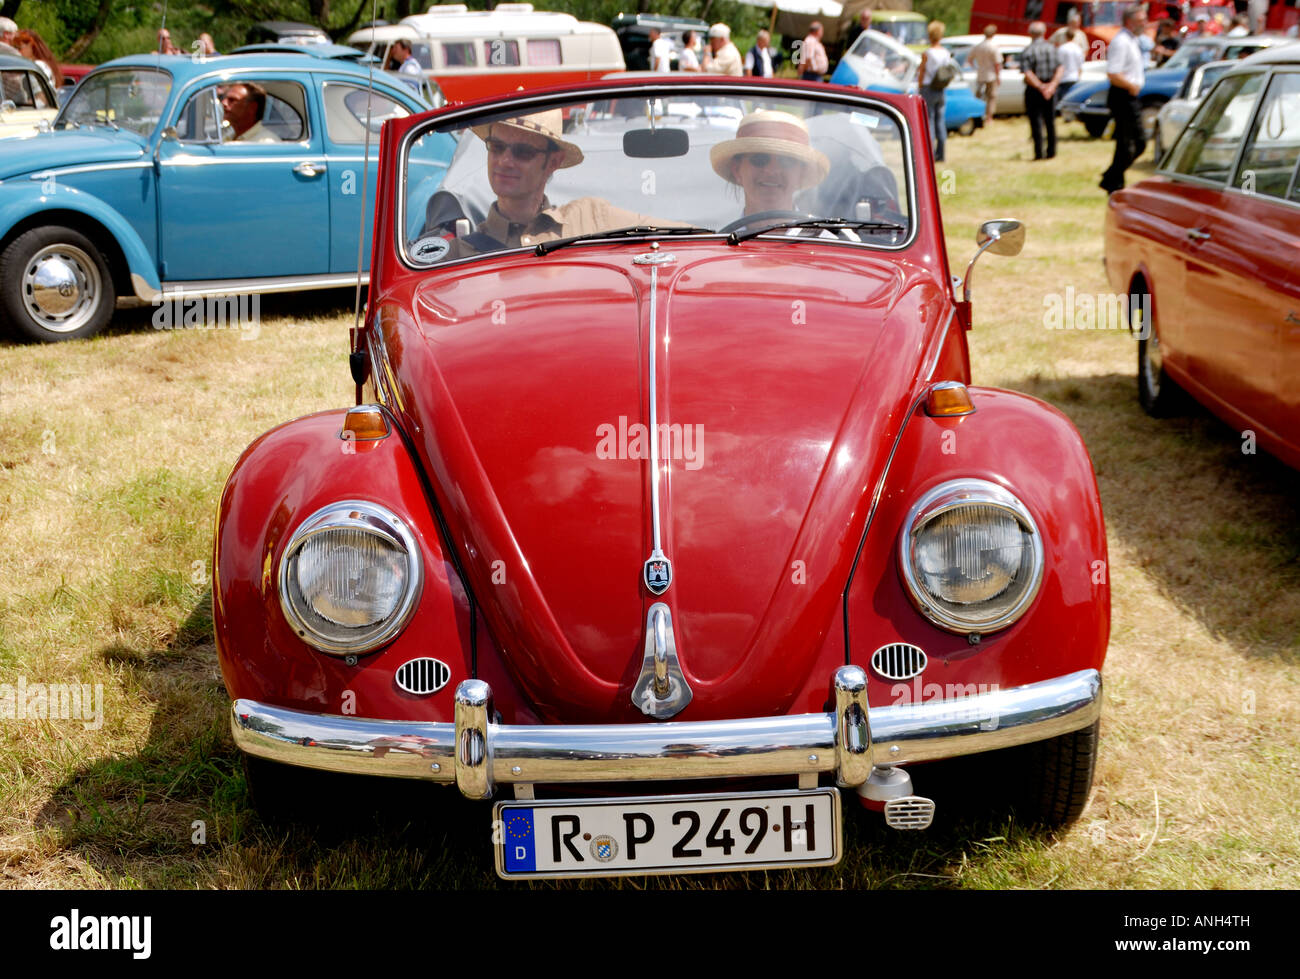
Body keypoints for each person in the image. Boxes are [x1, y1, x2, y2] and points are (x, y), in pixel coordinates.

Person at [444, 110, 670, 257]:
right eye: (496, 147)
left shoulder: (590, 218)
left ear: (553, 161)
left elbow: (683, 236)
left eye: (523, 152)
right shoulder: (459, 253)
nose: (504, 161)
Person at [709, 109, 829, 217]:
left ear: (801, 174)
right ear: (737, 170)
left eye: (786, 161)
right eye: (759, 159)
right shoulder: (717, 241)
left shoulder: (825, 241)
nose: (772, 171)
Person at [1100, 5, 1147, 194]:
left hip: (1129, 95)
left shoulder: (1133, 40)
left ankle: (1112, 180)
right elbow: (1113, 73)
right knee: (1134, 142)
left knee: (1129, 143)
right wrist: (1130, 85)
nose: (1144, 23)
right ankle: (1112, 179)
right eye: (1140, 20)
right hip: (1123, 95)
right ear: (1129, 21)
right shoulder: (1121, 41)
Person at [1022, 21, 1062, 160]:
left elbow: (1027, 73)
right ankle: (1052, 152)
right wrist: (1051, 86)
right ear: (1044, 33)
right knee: (1050, 121)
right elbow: (1060, 68)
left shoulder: (1028, 50)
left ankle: (1039, 153)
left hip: (1034, 90)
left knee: (1036, 122)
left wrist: (1040, 86)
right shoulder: (1053, 48)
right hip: (1050, 89)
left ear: (1031, 33)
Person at [917, 21, 952, 163]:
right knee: (940, 120)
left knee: (929, 120)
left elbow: (922, 71)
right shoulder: (945, 52)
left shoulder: (928, 53)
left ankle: (929, 154)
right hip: (940, 88)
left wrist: (919, 86)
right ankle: (941, 153)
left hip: (928, 88)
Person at [969, 24, 1001, 125]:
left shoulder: (978, 46)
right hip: (991, 75)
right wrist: (998, 76)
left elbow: (969, 59)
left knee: (979, 96)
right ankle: (989, 117)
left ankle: (978, 116)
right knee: (991, 97)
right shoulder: (993, 47)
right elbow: (997, 63)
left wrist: (976, 67)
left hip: (980, 74)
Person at [1055, 25, 1084, 100]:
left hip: (1063, 78)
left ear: (1065, 36)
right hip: (1074, 78)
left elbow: (1058, 65)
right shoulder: (1078, 49)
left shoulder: (1062, 48)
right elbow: (1080, 66)